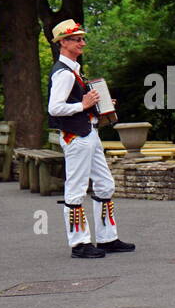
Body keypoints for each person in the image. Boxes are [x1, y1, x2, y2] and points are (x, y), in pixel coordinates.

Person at [47, 19, 136, 259]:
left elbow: (78, 105)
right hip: (77, 135)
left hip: (89, 132)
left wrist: (98, 106)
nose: (82, 43)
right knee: (75, 188)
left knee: (105, 185)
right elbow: (55, 108)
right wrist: (83, 104)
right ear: (62, 43)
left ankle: (107, 238)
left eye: (82, 39)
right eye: (76, 39)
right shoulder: (64, 73)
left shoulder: (74, 70)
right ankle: (79, 244)